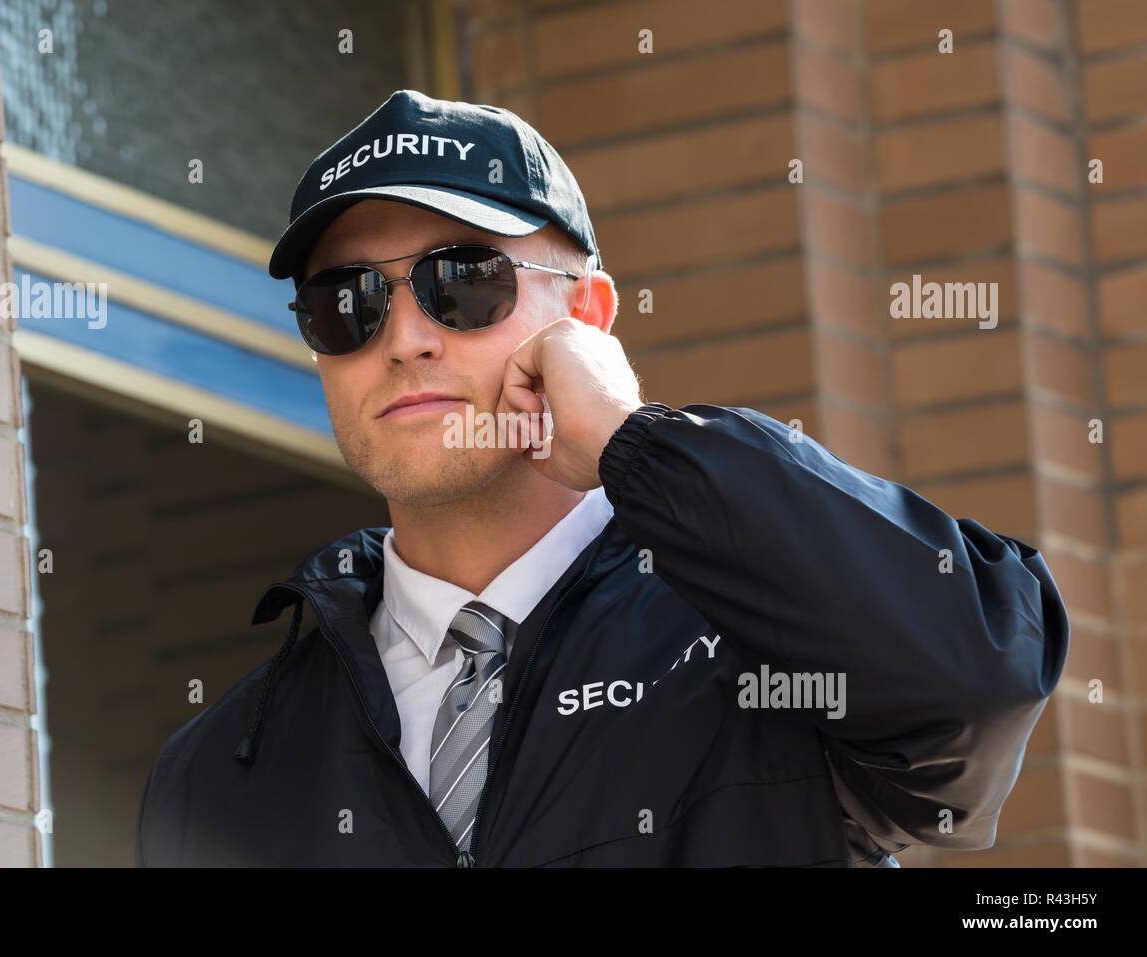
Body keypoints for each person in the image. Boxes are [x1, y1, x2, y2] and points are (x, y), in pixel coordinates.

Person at [135, 90, 1068, 867]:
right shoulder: (220, 769)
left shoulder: (756, 633)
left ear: (586, 313)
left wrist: (634, 441)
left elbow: (978, 682)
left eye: (461, 280)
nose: (406, 337)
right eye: (350, 303)